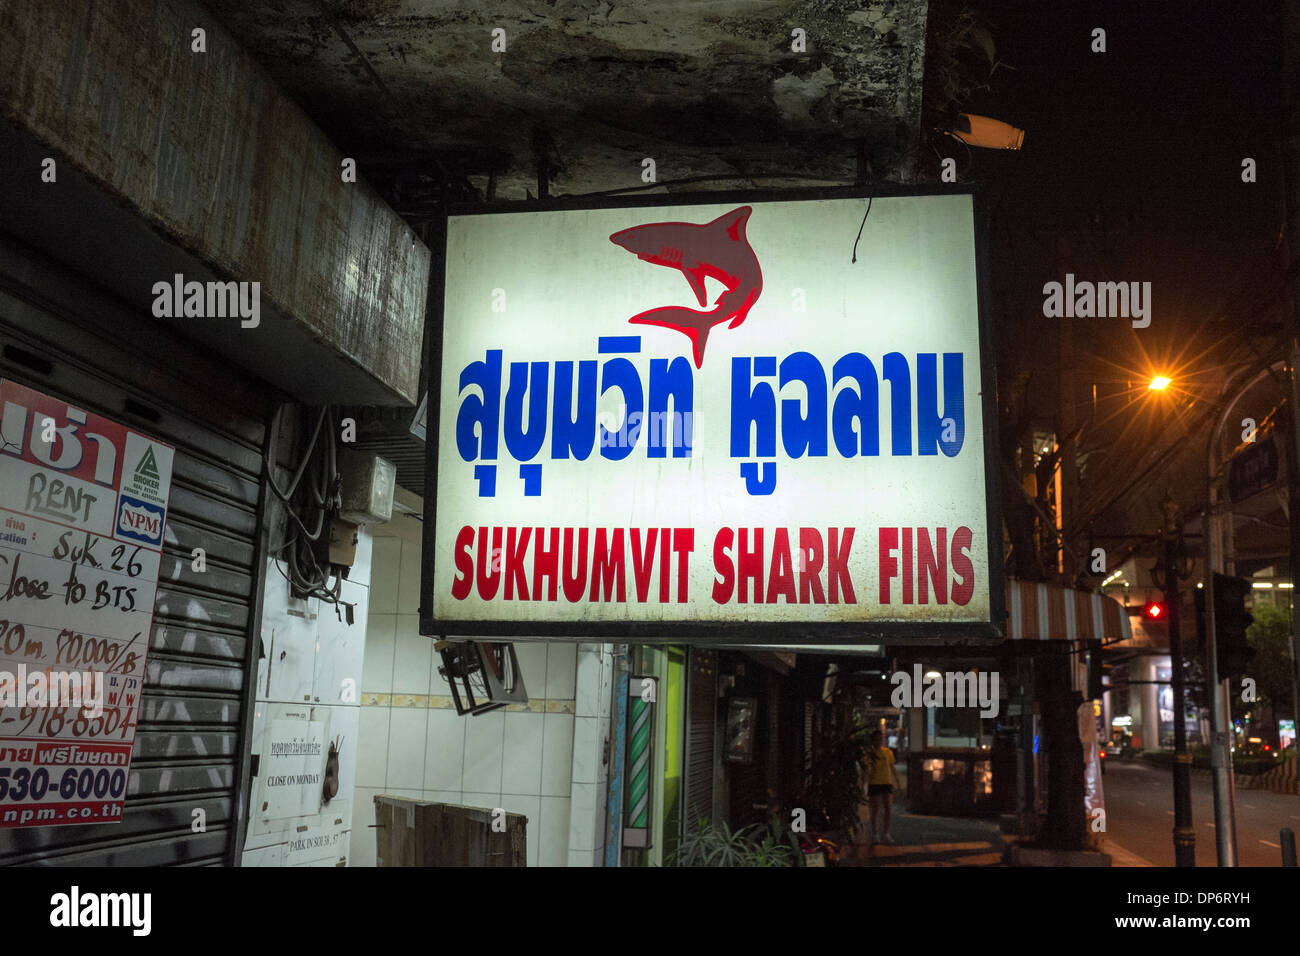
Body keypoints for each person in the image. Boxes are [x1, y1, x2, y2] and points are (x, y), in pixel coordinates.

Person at [862, 729, 901, 845]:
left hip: (886, 783)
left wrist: (897, 783)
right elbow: (866, 771)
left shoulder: (888, 752)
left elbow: (892, 768)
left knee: (888, 808)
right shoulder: (869, 754)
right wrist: (862, 785)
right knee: (875, 810)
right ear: (873, 741)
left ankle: (886, 833)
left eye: (881, 739)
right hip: (874, 783)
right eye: (877, 739)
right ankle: (875, 834)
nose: (879, 741)